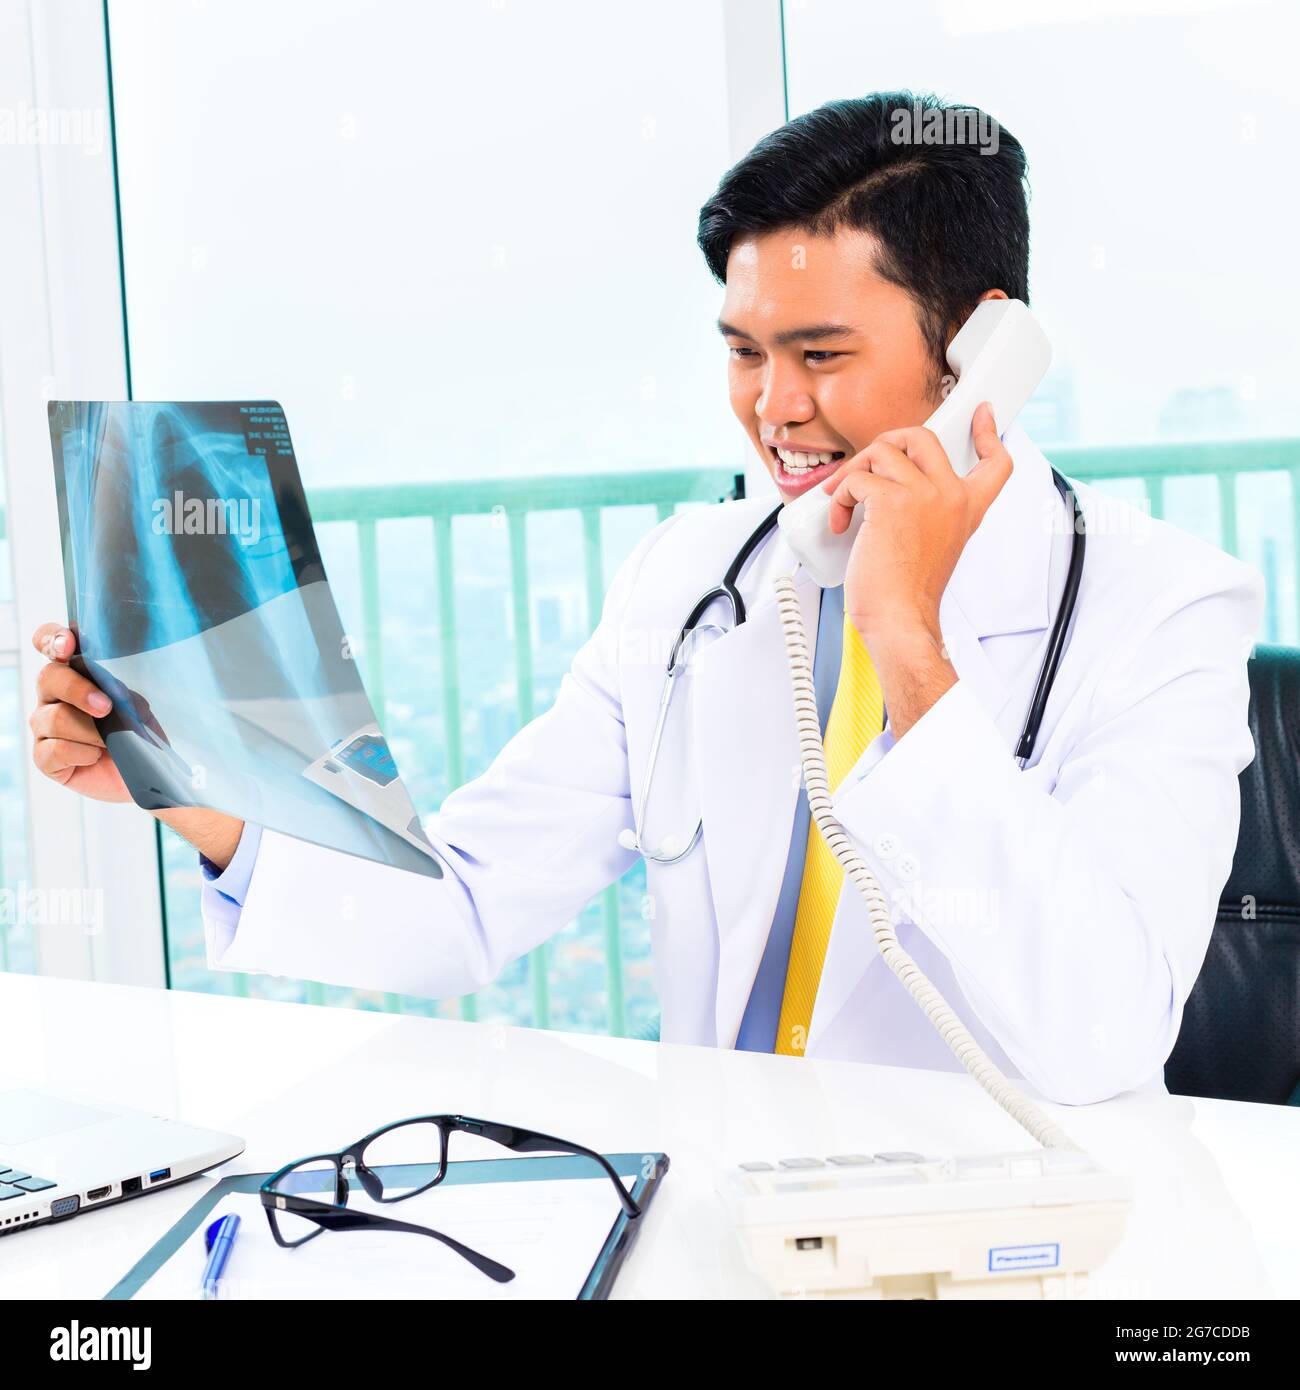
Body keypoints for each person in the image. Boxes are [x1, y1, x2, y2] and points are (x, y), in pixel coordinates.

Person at [29, 92, 1263, 1104]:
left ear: (982, 349)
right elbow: (462, 906)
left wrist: (909, 642)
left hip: (1010, 1246)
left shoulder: (1160, 609)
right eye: (742, 351)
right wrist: (201, 795)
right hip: (728, 1228)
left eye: (819, 354)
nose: (771, 408)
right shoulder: (693, 579)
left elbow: (1098, 1040)